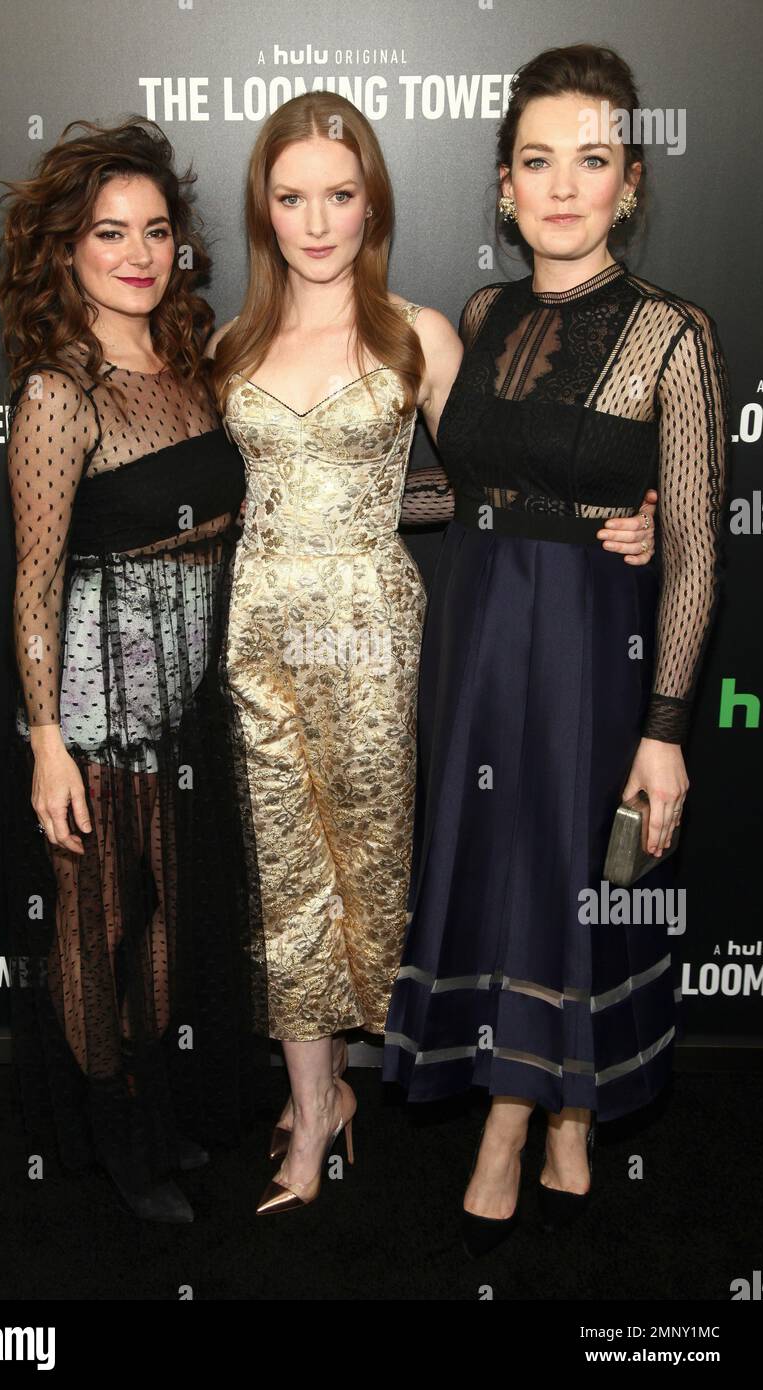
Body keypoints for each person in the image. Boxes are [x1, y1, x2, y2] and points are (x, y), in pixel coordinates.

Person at [206, 90, 658, 1216]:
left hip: (376, 639)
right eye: (292, 196)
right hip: (258, 635)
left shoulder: (420, 333)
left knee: (372, 873)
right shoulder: (225, 345)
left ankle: (472, 1088)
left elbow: (499, 476)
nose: (318, 222)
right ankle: (313, 1115)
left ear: (374, 205)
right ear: (264, 210)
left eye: (340, 196)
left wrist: (625, 512)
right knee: (279, 882)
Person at [381, 44, 730, 1255]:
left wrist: (668, 730)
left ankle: (508, 1126)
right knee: (500, 870)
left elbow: (689, 551)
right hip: (476, 639)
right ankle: (569, 1105)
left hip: (592, 647)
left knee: (565, 876)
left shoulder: (672, 336)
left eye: (590, 161)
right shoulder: (480, 316)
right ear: (503, 186)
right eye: (538, 161)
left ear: (627, 183)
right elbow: (460, 493)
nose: (563, 186)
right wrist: (335, 493)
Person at [0, 117, 269, 1224]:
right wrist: (47, 740)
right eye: (109, 233)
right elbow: (33, 582)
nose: (137, 253)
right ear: (66, 250)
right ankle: (110, 1132)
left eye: (156, 231)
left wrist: (506, 509)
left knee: (159, 930)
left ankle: (150, 1108)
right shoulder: (60, 394)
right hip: (97, 721)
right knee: (95, 930)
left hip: (188, 717)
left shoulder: (191, 369)